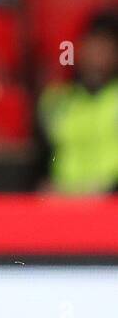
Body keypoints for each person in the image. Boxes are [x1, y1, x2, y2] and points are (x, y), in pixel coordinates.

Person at [38, 11, 118, 194]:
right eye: (91, 47)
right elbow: (41, 158)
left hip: (111, 203)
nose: (95, 57)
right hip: (65, 203)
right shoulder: (56, 101)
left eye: (104, 49)